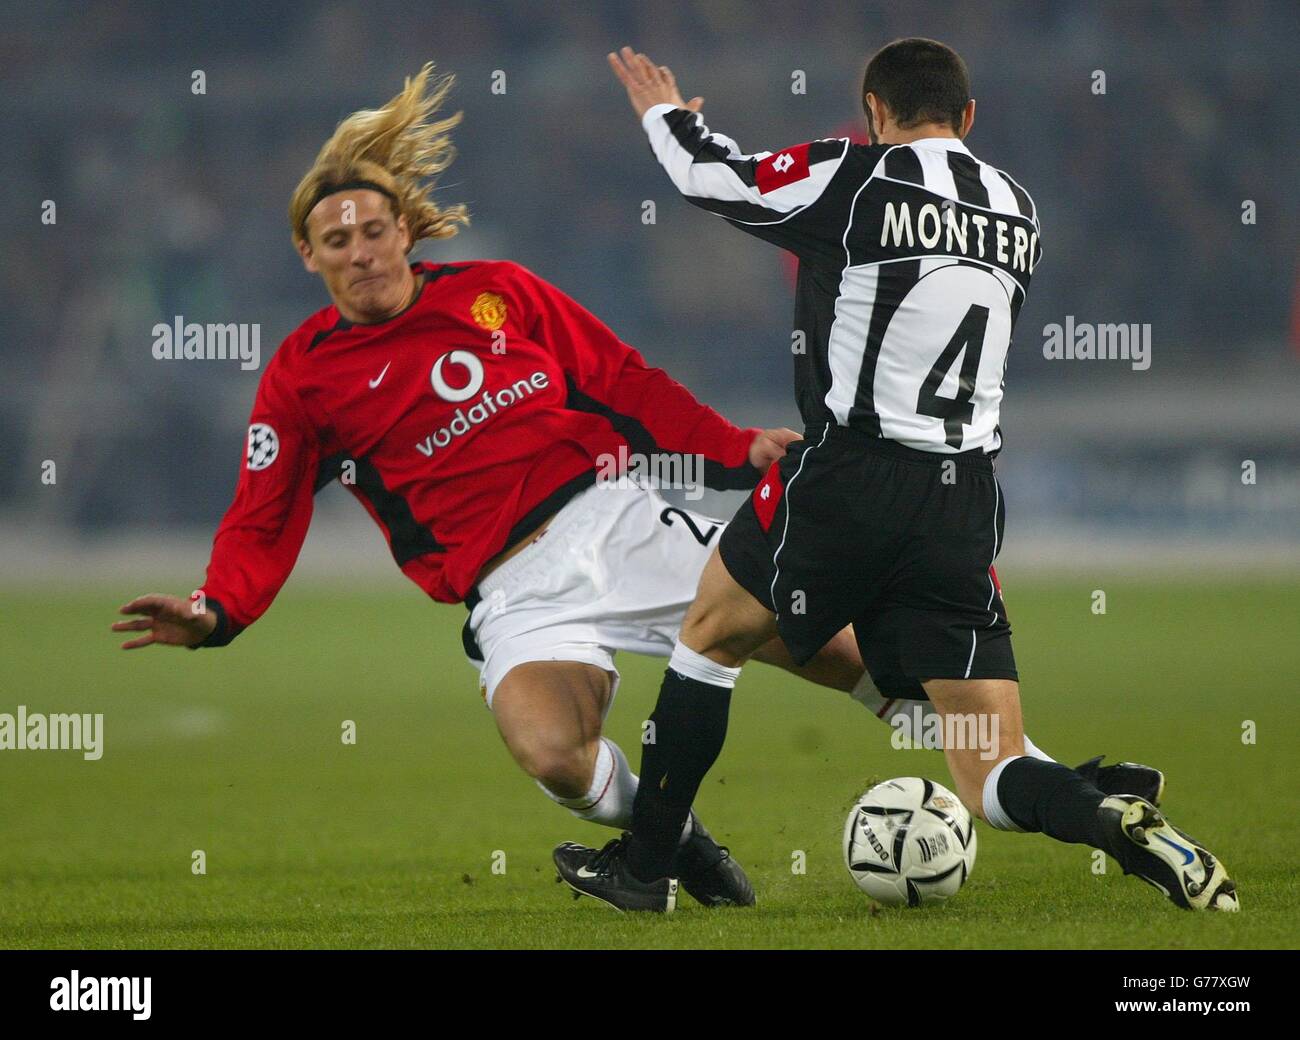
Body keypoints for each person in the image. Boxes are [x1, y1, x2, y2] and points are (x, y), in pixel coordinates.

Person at [109, 61, 965, 910]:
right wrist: (217, 611)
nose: (361, 252)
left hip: (616, 522)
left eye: (373, 230)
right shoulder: (303, 376)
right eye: (338, 241)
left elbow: (624, 383)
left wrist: (730, 449)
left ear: (406, 229)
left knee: (836, 646)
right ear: (308, 254)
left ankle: (1008, 766)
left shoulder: (498, 293)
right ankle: (676, 839)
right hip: (511, 590)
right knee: (553, 753)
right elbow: (263, 514)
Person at [553, 40, 1236, 913]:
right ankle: (1101, 812)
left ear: (873, 111)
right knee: (990, 758)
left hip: (851, 475)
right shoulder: (1018, 206)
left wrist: (664, 112)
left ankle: (646, 869)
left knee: (710, 638)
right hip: (963, 502)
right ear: (970, 117)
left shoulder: (854, 175)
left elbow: (708, 176)